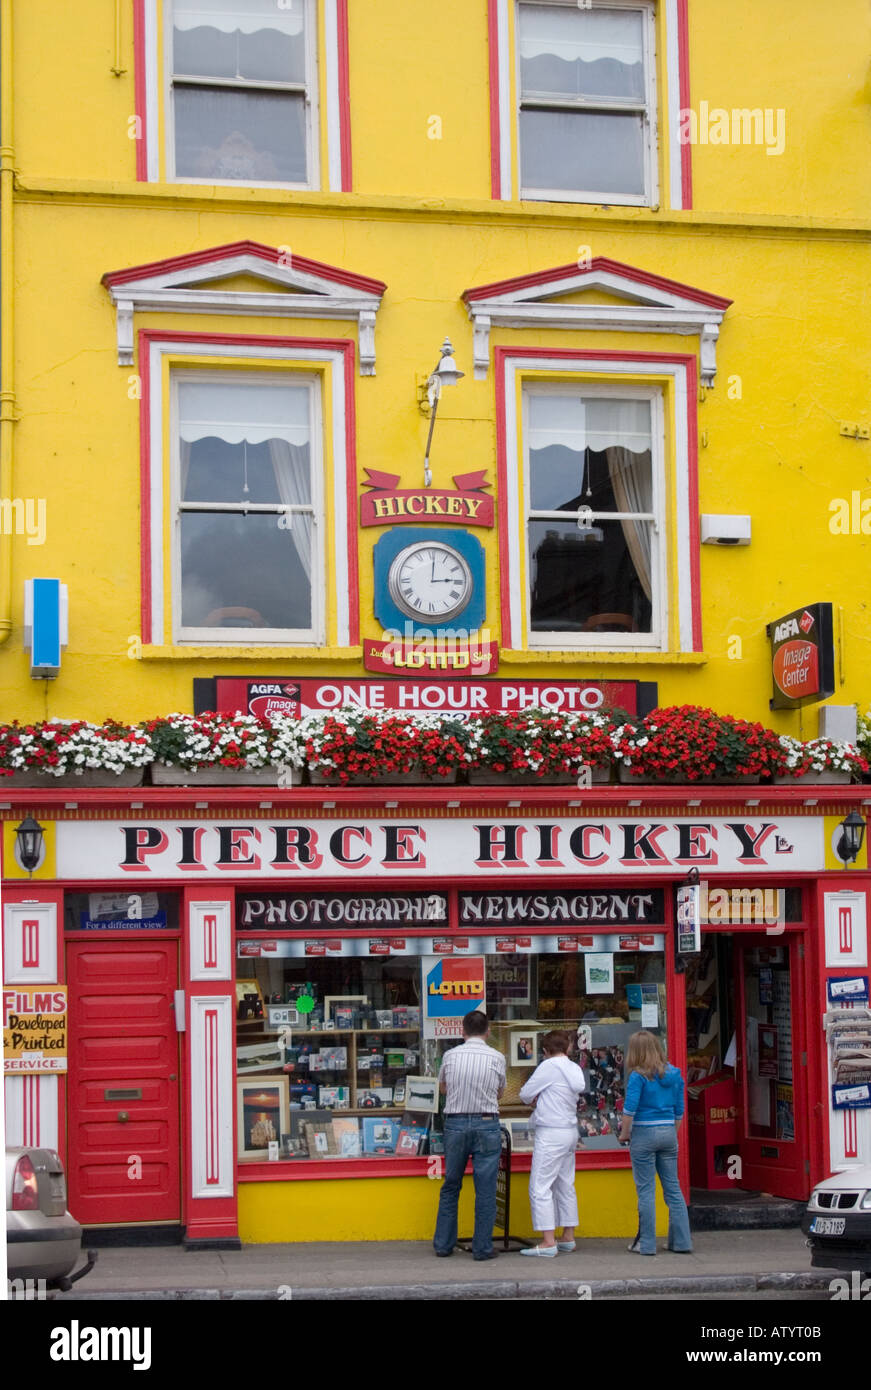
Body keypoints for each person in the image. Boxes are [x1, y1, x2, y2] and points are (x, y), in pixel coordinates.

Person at [433, 1011, 506, 1261]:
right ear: (488, 1031)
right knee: (485, 1189)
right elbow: (499, 1093)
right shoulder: (497, 1057)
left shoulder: (450, 1056)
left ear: (462, 1031)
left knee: (451, 1185)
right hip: (487, 1123)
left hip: (455, 1122)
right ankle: (482, 1248)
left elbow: (443, 1087)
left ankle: (443, 1245)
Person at [618, 1030, 692, 1257]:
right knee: (673, 1189)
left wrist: (624, 1134)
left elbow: (629, 1110)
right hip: (668, 1133)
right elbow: (679, 1112)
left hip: (643, 1133)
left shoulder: (638, 1076)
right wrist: (670, 1133)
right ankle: (681, 1242)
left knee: (646, 1191)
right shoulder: (675, 1074)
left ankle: (647, 1244)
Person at [517, 1030, 586, 1257]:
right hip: (569, 1131)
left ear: (545, 1051)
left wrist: (538, 1097)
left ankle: (548, 1242)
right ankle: (568, 1236)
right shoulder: (574, 1069)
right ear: (567, 1048)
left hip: (551, 1132)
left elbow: (525, 1094)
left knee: (540, 1186)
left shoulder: (548, 1067)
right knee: (566, 1184)